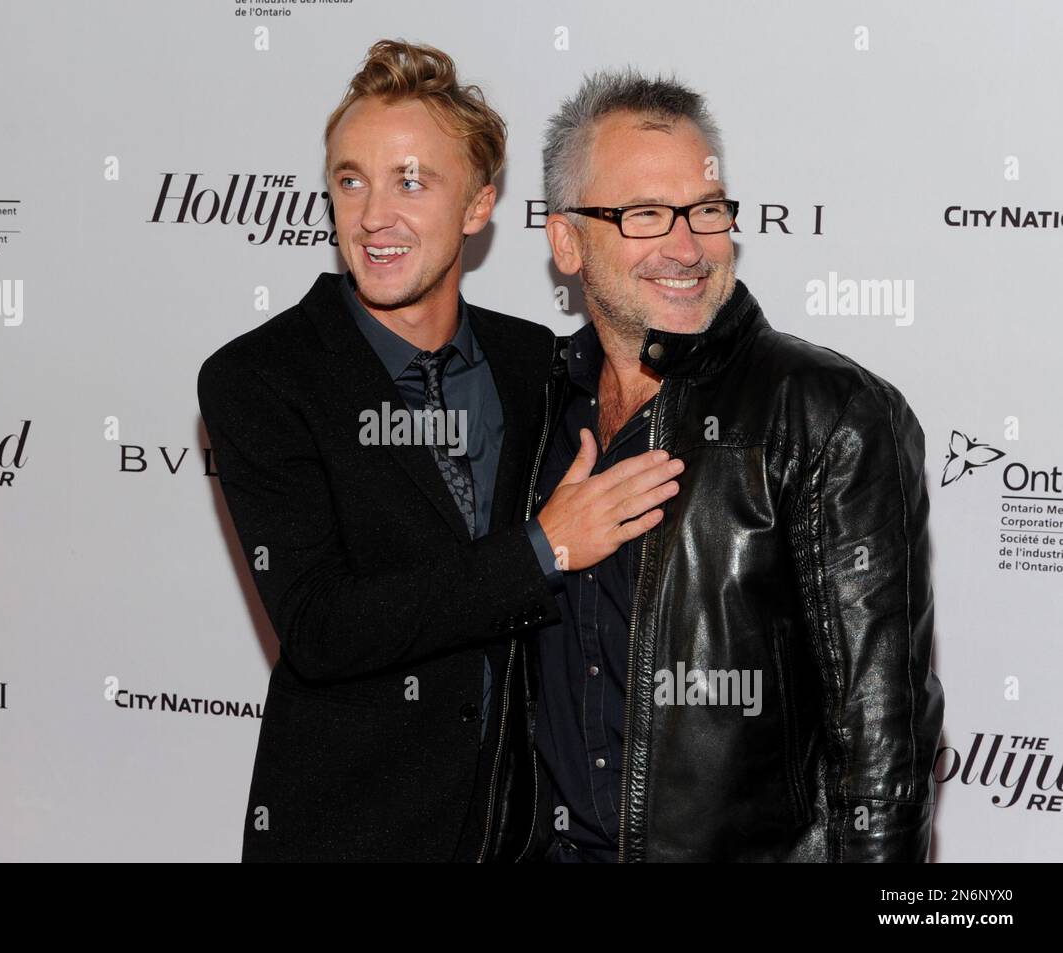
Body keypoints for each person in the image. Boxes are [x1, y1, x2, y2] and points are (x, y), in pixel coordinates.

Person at [198, 41, 680, 862]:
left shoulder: (538, 363)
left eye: (411, 181)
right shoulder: (261, 378)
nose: (372, 214)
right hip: (350, 828)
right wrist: (544, 547)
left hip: (520, 832)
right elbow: (320, 626)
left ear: (478, 205)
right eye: (351, 180)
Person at [523, 68, 944, 862]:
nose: (687, 247)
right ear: (566, 240)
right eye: (646, 214)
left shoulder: (826, 412)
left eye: (707, 210)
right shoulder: (536, 402)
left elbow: (881, 750)